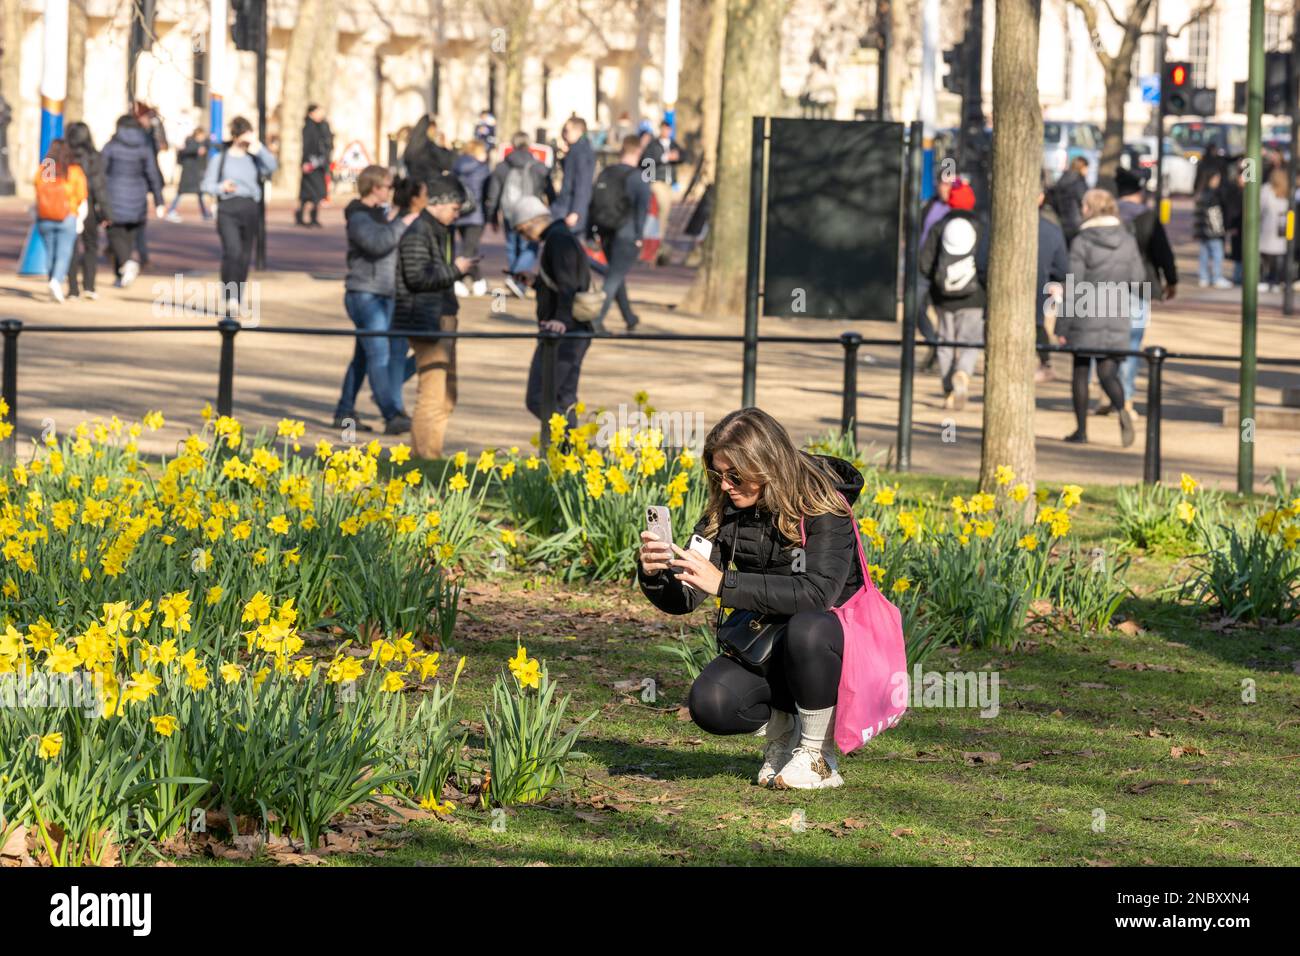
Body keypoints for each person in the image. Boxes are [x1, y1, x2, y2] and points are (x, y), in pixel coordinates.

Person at [638, 407, 863, 790]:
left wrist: (725, 583)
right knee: (711, 704)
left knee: (807, 628)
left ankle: (818, 755)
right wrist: (655, 574)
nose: (725, 485)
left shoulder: (825, 506)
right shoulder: (726, 512)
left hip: (832, 649)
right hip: (769, 643)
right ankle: (785, 729)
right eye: (718, 474)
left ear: (767, 464)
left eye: (734, 475)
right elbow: (686, 598)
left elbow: (816, 593)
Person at [334, 165, 424, 435]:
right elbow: (378, 244)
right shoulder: (359, 216)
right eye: (387, 186)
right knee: (379, 354)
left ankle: (344, 411)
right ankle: (392, 413)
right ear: (374, 187)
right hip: (365, 294)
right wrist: (403, 221)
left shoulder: (380, 215)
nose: (391, 191)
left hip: (382, 294)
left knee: (363, 357)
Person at [392, 176, 476, 459]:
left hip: (442, 315)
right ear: (438, 204)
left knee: (447, 394)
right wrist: (456, 269)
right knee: (432, 391)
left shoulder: (438, 229)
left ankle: (433, 453)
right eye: (454, 208)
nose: (457, 215)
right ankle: (423, 456)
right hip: (427, 319)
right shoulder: (419, 231)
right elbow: (417, 278)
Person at [1057, 189, 1143, 447]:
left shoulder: (1082, 240)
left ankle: (1081, 430)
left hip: (1086, 311)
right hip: (1116, 310)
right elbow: (1138, 281)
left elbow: (1073, 285)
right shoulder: (1127, 240)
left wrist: (1063, 324)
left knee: (1081, 371)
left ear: (1090, 209)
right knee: (1108, 372)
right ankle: (1122, 408)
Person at [520, 195, 597, 427]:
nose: (523, 236)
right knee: (564, 400)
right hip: (575, 330)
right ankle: (572, 456)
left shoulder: (558, 240)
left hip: (565, 332)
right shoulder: (560, 236)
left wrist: (560, 319)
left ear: (534, 221)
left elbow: (568, 284)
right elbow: (565, 280)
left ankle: (571, 448)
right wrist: (536, 282)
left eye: (522, 230)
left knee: (539, 398)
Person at [918, 179, 986, 411]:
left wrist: (935, 284)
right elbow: (985, 262)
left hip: (944, 296)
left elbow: (925, 262)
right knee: (970, 341)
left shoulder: (940, 225)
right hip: (973, 296)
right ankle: (963, 373)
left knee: (945, 342)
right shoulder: (981, 226)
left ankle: (948, 389)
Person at [1112, 166, 1177, 408]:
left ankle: (1109, 388)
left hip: (1110, 285)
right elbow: (1162, 252)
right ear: (1138, 192)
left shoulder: (1111, 217)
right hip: (1140, 285)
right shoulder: (1147, 217)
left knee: (1107, 340)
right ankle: (1125, 395)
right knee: (1132, 342)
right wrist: (1171, 280)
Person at [200, 116, 278, 311]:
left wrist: (258, 146)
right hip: (228, 208)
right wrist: (221, 187)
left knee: (244, 254)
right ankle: (229, 296)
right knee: (232, 251)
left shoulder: (254, 158)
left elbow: (272, 166)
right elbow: (206, 185)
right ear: (235, 136)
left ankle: (238, 295)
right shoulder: (221, 158)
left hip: (250, 207)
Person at [588, 134, 650, 334]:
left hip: (606, 230)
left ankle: (629, 316)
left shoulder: (606, 172)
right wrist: (639, 237)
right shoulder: (639, 178)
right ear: (638, 152)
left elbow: (593, 202)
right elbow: (642, 210)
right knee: (614, 277)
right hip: (627, 232)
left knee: (616, 273)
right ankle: (596, 320)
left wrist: (592, 231)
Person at [484, 131, 553, 298]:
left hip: (509, 211)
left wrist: (492, 215)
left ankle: (516, 280)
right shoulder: (538, 166)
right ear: (529, 145)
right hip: (531, 213)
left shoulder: (502, 167)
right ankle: (516, 279)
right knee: (529, 247)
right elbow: (548, 189)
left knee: (511, 246)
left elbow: (493, 193)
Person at [100, 114, 165, 288]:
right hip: (137, 196)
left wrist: (99, 196)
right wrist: (159, 200)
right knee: (128, 236)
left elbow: (101, 172)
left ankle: (126, 264)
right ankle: (121, 272)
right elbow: (152, 173)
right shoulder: (144, 147)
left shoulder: (111, 146)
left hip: (114, 195)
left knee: (114, 233)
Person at [33, 139, 87, 303]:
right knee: (64, 253)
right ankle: (56, 280)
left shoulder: (44, 169)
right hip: (67, 215)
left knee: (50, 252)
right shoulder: (74, 170)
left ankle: (52, 282)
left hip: (45, 216)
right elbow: (81, 195)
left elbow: (37, 188)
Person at [64, 121, 113, 301]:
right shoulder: (94, 156)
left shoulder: (60, 155)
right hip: (89, 206)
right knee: (91, 245)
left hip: (67, 207)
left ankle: (72, 289)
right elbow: (100, 187)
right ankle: (89, 286)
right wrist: (107, 213)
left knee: (70, 247)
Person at [1034, 184, 1069, 383]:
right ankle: (1045, 363)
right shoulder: (1051, 229)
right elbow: (1062, 267)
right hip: (1039, 287)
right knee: (1037, 326)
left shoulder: (997, 223)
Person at [640, 118, 688, 258]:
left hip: (669, 182)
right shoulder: (653, 145)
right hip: (657, 181)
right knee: (663, 208)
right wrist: (663, 158)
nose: (666, 132)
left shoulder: (673, 144)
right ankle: (657, 239)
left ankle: (658, 238)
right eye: (664, 129)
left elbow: (684, 156)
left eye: (668, 129)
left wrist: (677, 157)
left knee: (664, 212)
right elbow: (646, 160)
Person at [452, 141, 491, 297]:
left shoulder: (457, 166)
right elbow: (488, 191)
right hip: (476, 213)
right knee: (469, 250)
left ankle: (474, 279)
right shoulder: (482, 169)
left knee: (470, 248)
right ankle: (458, 279)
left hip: (459, 212)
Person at [552, 115, 596, 237]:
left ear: (578, 131)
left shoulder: (580, 150)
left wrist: (576, 211)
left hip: (569, 207)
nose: (565, 135)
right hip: (569, 206)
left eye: (567, 130)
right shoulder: (577, 149)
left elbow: (582, 183)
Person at [297, 104, 333, 227]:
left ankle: (313, 217)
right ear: (311, 113)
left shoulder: (322, 126)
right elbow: (307, 146)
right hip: (311, 163)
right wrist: (305, 162)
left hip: (320, 164)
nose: (320, 115)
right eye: (318, 112)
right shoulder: (308, 127)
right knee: (308, 193)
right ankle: (301, 216)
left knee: (318, 192)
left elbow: (327, 142)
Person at [1194, 170, 1231, 289]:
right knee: (1217, 254)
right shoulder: (1214, 195)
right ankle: (1216, 277)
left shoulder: (1201, 193)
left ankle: (1204, 277)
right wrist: (1220, 230)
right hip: (1213, 231)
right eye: (1216, 178)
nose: (1218, 181)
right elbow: (1215, 215)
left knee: (1204, 254)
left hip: (1203, 231)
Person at [166, 126, 212, 222]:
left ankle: (205, 213)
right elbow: (187, 150)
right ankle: (171, 210)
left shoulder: (202, 143)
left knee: (200, 193)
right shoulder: (190, 143)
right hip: (188, 173)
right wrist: (197, 150)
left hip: (195, 173)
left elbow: (210, 144)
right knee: (181, 193)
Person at [403, 114, 456, 189]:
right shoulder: (429, 147)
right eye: (434, 129)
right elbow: (449, 162)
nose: (435, 132)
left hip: (415, 187)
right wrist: (445, 146)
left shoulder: (411, 146)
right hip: (431, 186)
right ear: (428, 129)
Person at [1259, 167, 1289, 292]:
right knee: (1277, 258)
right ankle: (1275, 281)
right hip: (1282, 229)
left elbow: (1260, 207)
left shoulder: (1266, 190)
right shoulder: (1287, 191)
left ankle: (1264, 280)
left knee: (1264, 257)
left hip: (1267, 227)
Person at [1051, 155, 1089, 244]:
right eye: (1087, 168)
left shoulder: (1062, 179)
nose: (1087, 171)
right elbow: (1084, 200)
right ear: (1082, 167)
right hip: (1077, 223)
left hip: (1061, 222)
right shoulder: (1079, 182)